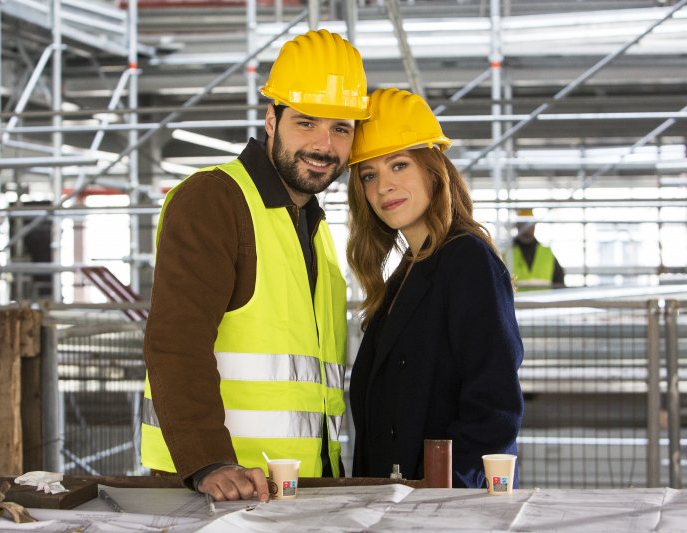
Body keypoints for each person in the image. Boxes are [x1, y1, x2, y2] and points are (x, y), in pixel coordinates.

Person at [140, 29, 369, 502]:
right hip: (216, 486)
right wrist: (206, 461)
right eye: (306, 122)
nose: (324, 145)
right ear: (271, 119)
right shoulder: (215, 200)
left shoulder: (314, 226)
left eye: (340, 128)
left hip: (294, 485)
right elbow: (176, 340)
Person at [345, 88, 524, 488]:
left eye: (399, 165)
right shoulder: (406, 271)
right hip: (393, 497)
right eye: (369, 174)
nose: (382, 187)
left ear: (432, 169)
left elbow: (494, 405)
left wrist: (447, 497)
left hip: (440, 504)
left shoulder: (467, 260)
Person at [512, 209, 566, 290]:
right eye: (523, 224)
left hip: (545, 302)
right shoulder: (507, 254)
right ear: (517, 226)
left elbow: (560, 285)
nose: (527, 229)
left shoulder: (547, 253)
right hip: (517, 302)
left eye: (529, 224)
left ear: (534, 226)